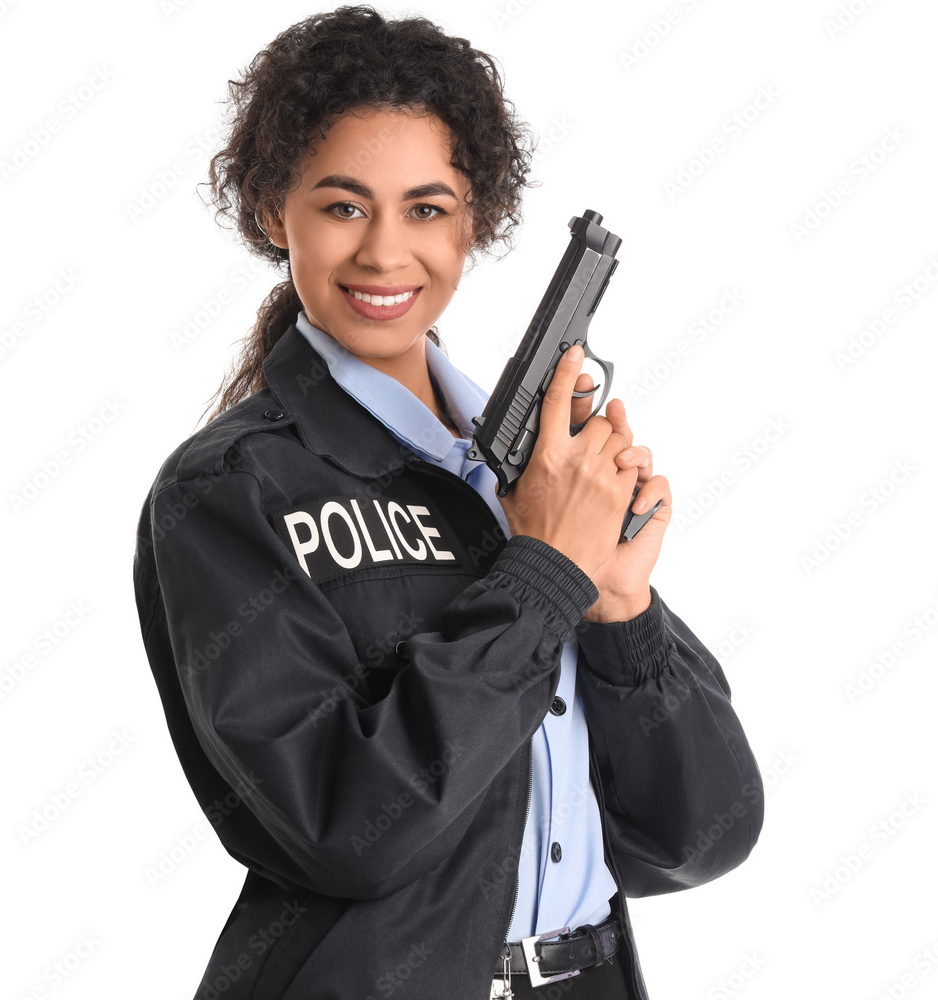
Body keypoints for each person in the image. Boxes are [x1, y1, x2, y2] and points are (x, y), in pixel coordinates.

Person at [132, 7, 764, 999]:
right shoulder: (229, 493)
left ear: (476, 219)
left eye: (427, 208)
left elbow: (697, 837)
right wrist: (543, 572)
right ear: (271, 212)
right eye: (343, 206)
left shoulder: (526, 481)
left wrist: (618, 610)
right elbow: (345, 830)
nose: (386, 253)